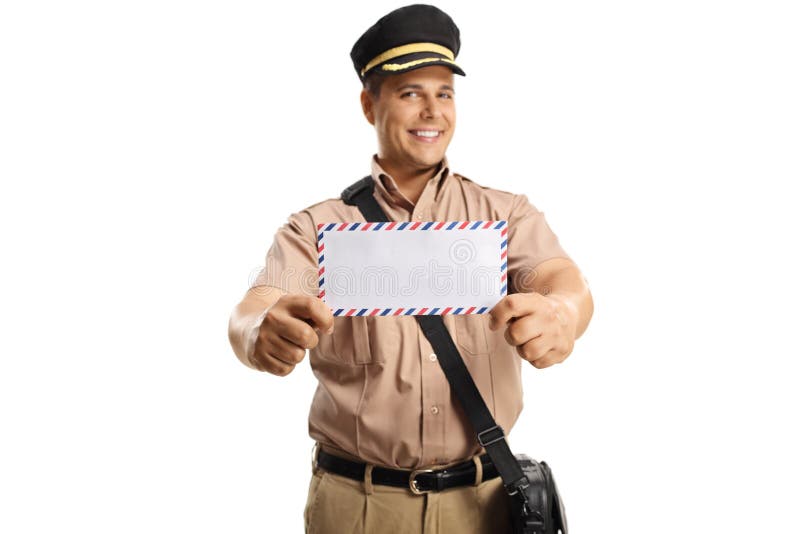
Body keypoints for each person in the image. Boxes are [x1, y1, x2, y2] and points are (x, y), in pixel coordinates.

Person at [228, 4, 593, 533]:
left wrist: (562, 313)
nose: (433, 111)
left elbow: (565, 282)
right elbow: (253, 307)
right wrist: (260, 331)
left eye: (444, 93)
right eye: (409, 94)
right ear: (368, 104)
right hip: (357, 508)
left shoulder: (505, 214)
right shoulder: (317, 228)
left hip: (484, 505)